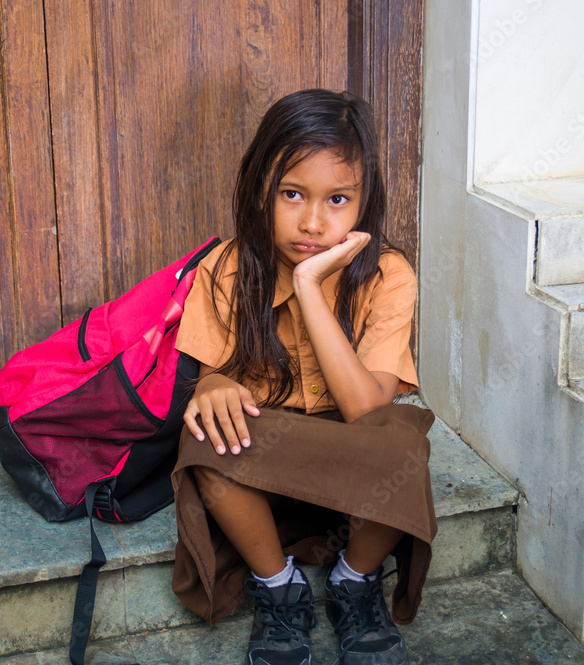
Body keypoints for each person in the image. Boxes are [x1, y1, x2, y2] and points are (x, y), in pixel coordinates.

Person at [171, 88, 436, 665]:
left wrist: (311, 288)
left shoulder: (388, 276)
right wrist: (214, 384)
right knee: (203, 438)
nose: (313, 222)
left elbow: (370, 413)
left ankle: (353, 581)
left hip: (358, 478)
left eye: (338, 199)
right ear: (259, 188)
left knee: (402, 442)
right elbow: (211, 380)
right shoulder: (226, 269)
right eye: (292, 194)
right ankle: (279, 587)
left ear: (365, 203)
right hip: (267, 472)